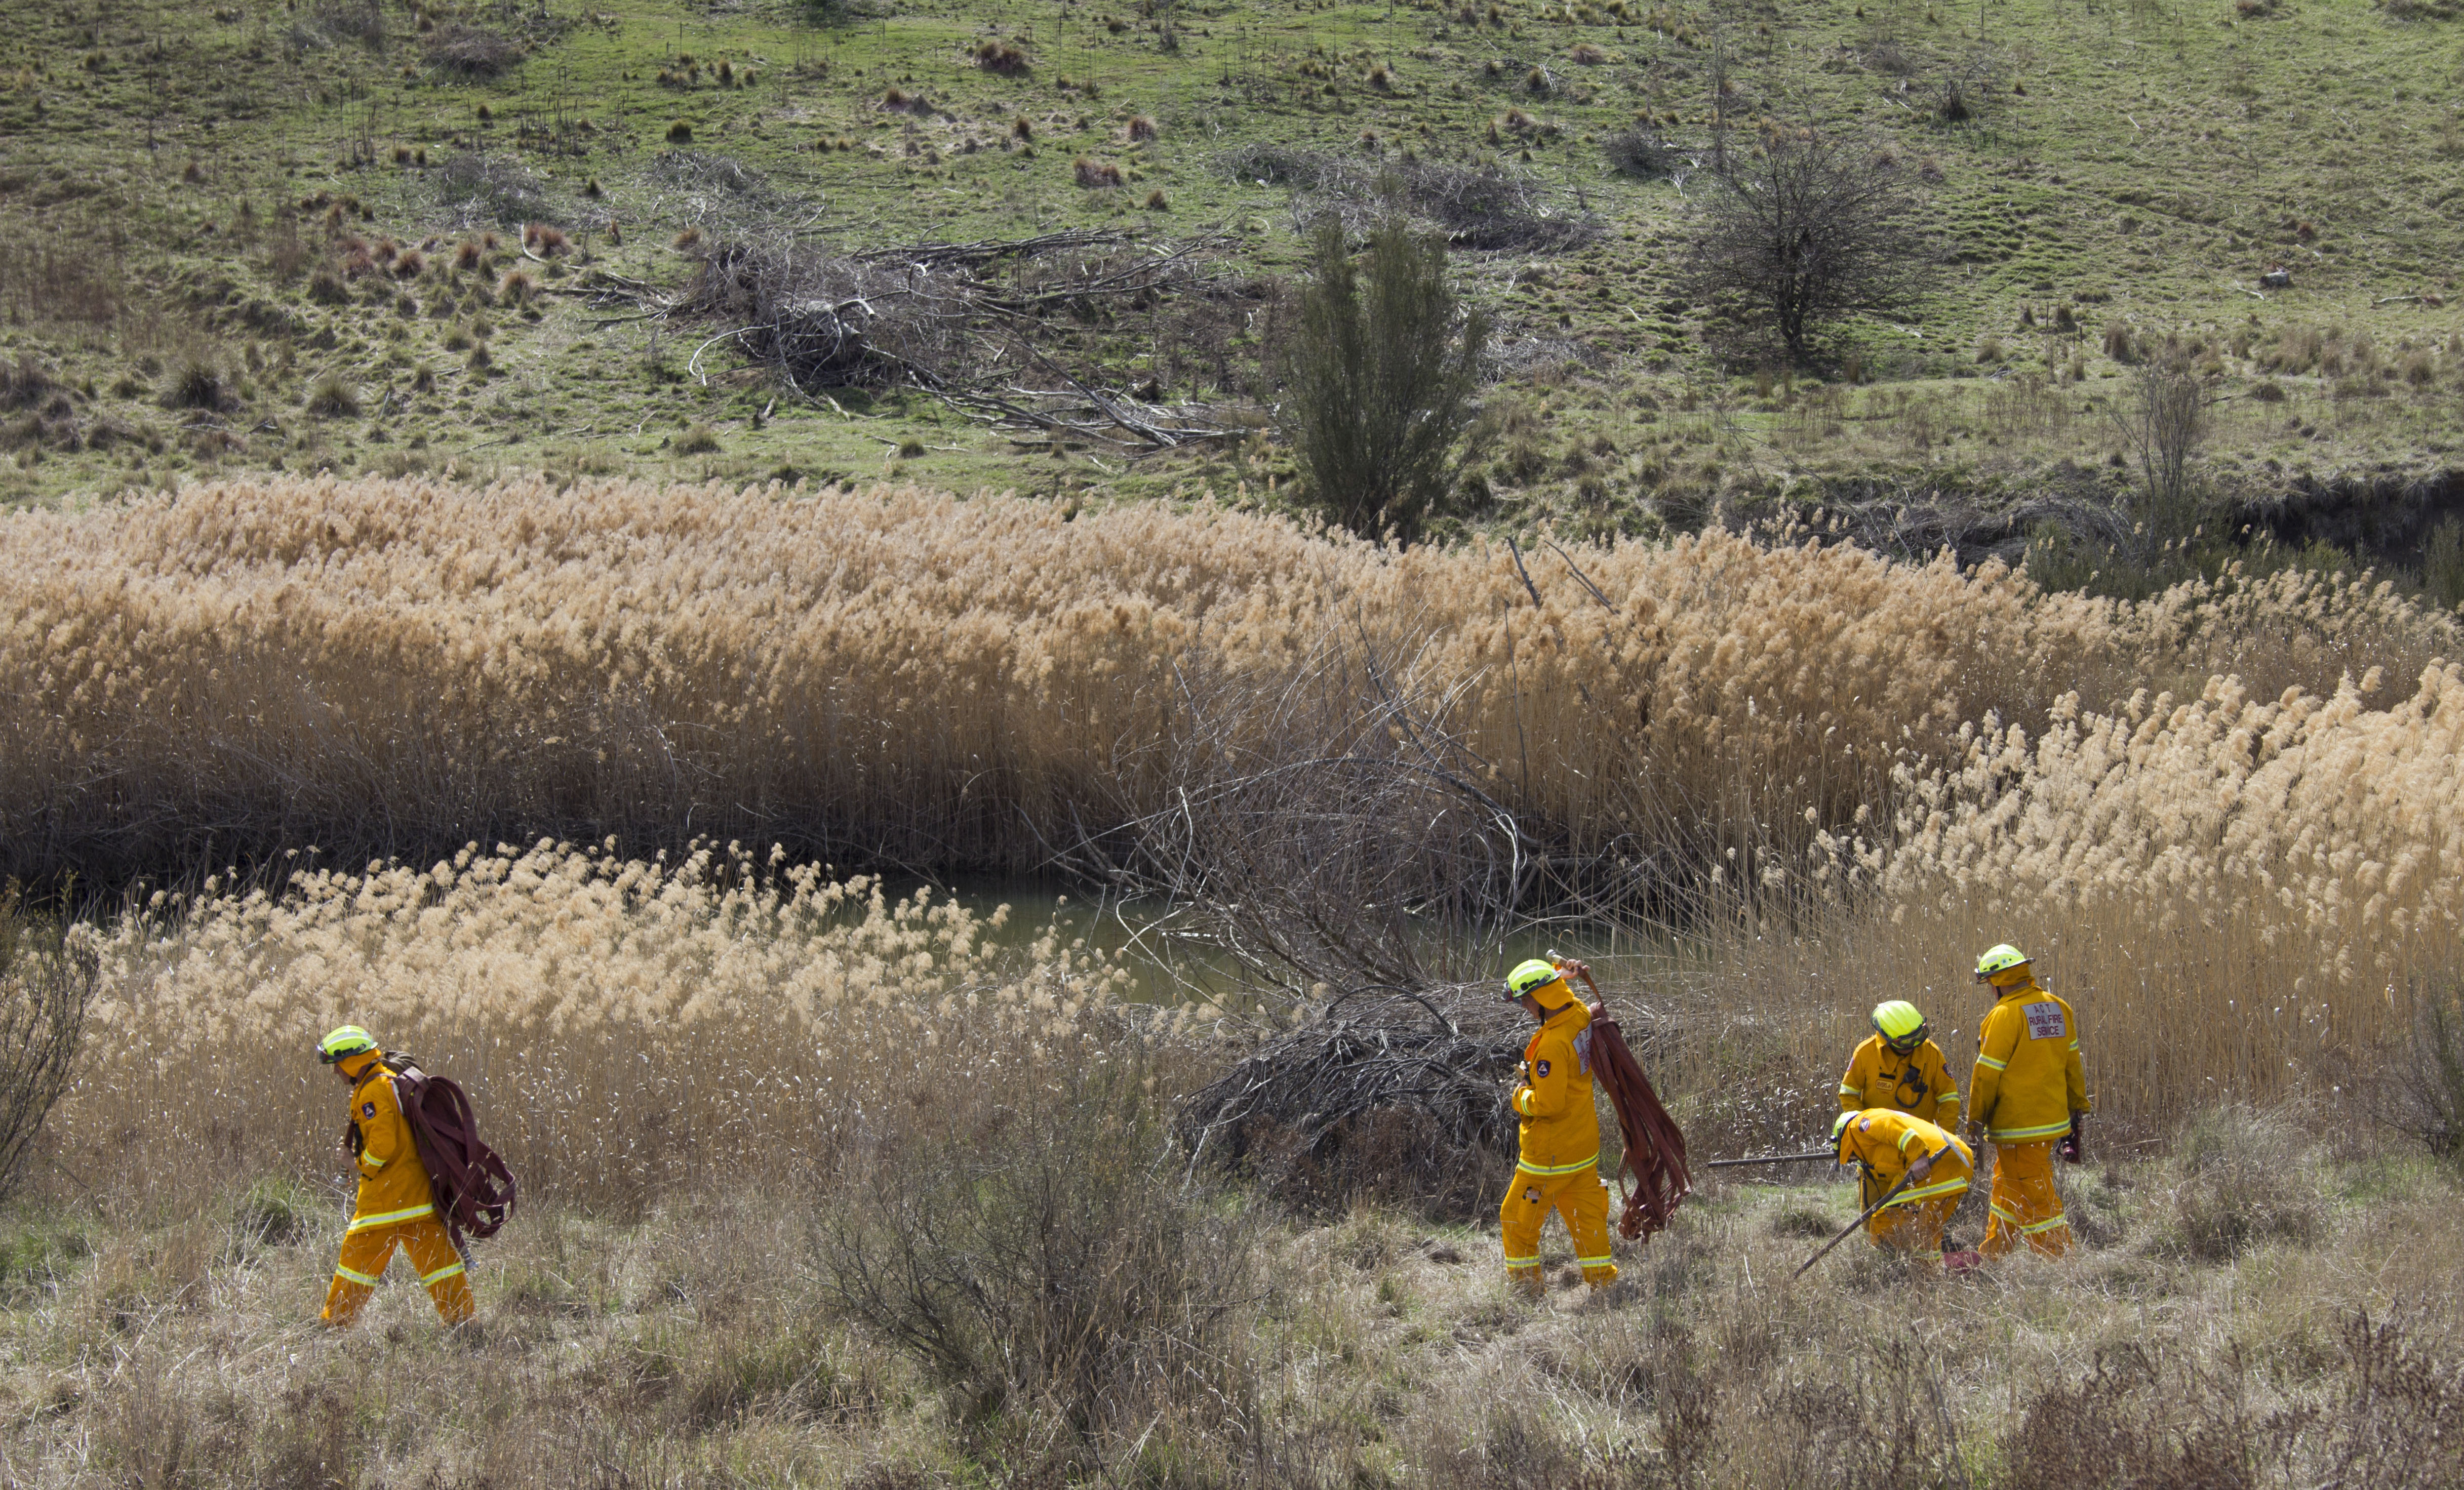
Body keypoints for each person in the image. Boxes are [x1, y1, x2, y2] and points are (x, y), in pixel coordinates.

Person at [317, 1026, 477, 1327]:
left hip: (386, 1201)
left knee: (356, 1260)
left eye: (337, 1064)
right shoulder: (386, 1080)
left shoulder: (372, 1092)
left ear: (352, 1061)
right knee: (440, 1263)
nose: (335, 1072)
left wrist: (355, 1163)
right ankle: (463, 1321)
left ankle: (336, 1322)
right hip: (417, 1195)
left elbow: (383, 1147)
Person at [1498, 957, 1617, 1295]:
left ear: (1543, 998)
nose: (1524, 1007)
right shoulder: (1578, 1014)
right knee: (1588, 1222)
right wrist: (1563, 972)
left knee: (1515, 1220)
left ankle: (1527, 1290)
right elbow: (1565, 993)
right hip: (1582, 1147)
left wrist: (1520, 1098)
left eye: (1526, 1000)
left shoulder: (1551, 1045)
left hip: (1548, 1157)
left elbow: (1549, 1104)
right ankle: (1604, 1285)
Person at [1965, 945, 2091, 1258]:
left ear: (1996, 982)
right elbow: (2072, 1064)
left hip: (2019, 1127)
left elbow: (1986, 1075)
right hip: (2051, 1122)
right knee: (2007, 1187)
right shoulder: (2059, 1007)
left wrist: (1975, 1121)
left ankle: (2060, 1261)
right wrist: (2078, 1109)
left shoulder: (2004, 1015)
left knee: (2035, 1197)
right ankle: (1994, 1254)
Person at [1831, 1108, 1975, 1261]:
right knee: (1925, 1231)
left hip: (1937, 1160)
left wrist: (1919, 1155)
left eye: (1851, 1156)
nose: (1855, 1159)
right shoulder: (1876, 1137)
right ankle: (1932, 1270)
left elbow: (1890, 1125)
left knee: (1883, 1221)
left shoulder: (1859, 1124)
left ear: (1842, 1138)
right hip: (1959, 1161)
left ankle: (1889, 1266)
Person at [1838, 999, 1960, 1130]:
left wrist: (1944, 1136)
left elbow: (1949, 1099)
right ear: (1888, 1039)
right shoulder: (1865, 1054)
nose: (1914, 1045)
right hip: (1879, 1137)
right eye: (1907, 1042)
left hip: (1922, 1138)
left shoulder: (1932, 1054)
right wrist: (1865, 1127)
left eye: (1918, 1037)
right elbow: (1848, 1095)